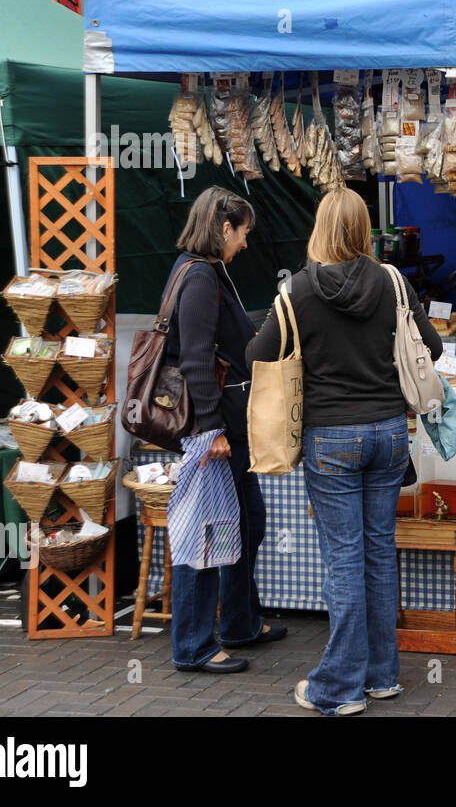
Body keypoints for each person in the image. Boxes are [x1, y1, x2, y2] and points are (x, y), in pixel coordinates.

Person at [246, 189, 442, 716]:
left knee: (344, 560)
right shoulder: (393, 281)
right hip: (388, 434)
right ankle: (381, 676)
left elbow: (257, 355)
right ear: (363, 229)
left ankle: (339, 687)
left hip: (330, 438)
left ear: (318, 228)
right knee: (378, 553)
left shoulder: (297, 291)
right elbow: (434, 348)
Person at [163, 185, 285, 674]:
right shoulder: (198, 277)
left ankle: (239, 623)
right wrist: (212, 429)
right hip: (211, 431)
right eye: (243, 234)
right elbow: (194, 358)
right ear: (223, 228)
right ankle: (193, 647)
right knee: (205, 535)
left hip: (230, 431)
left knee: (248, 523)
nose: (246, 244)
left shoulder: (211, 273)